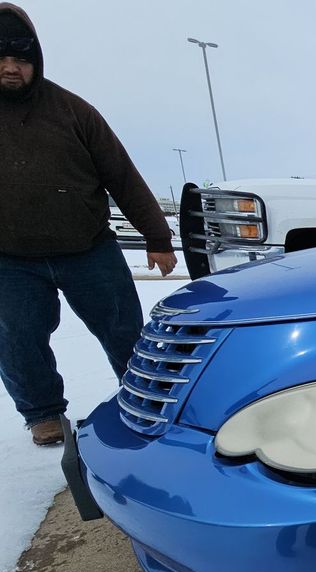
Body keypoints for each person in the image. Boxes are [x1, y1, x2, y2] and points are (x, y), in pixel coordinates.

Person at [0, 3, 176, 446]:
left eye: (20, 59)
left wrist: (157, 237)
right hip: (10, 258)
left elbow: (121, 174)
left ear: (35, 61)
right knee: (18, 340)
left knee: (125, 331)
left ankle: (149, 396)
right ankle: (42, 413)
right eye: (1, 59)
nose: (10, 68)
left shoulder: (72, 111)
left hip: (89, 248)